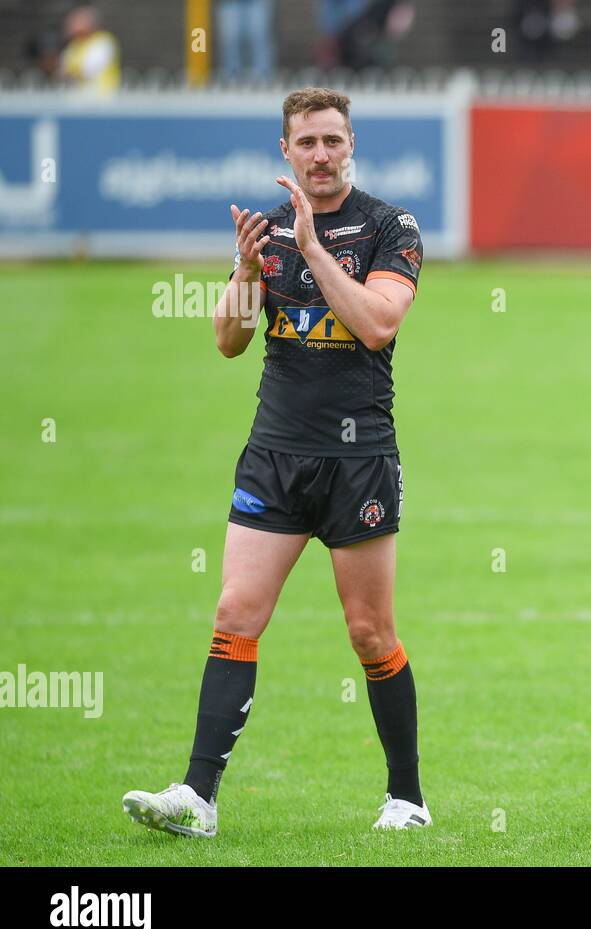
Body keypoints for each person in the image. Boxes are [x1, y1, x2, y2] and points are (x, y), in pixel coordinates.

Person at [122, 87, 428, 837]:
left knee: (369, 633)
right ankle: (198, 798)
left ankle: (407, 798)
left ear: (351, 144)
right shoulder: (266, 233)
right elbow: (229, 342)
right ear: (284, 151)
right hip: (274, 453)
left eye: (333, 140)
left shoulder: (393, 228)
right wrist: (248, 270)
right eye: (306, 143)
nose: (320, 154)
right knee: (234, 613)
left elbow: (377, 325)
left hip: (358, 460)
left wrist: (313, 249)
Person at [58, 5, 119, 95]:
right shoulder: (74, 45)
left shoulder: (102, 41)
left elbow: (89, 70)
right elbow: (62, 69)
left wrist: (69, 72)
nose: (71, 26)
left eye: (76, 22)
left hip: (101, 99)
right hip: (78, 100)